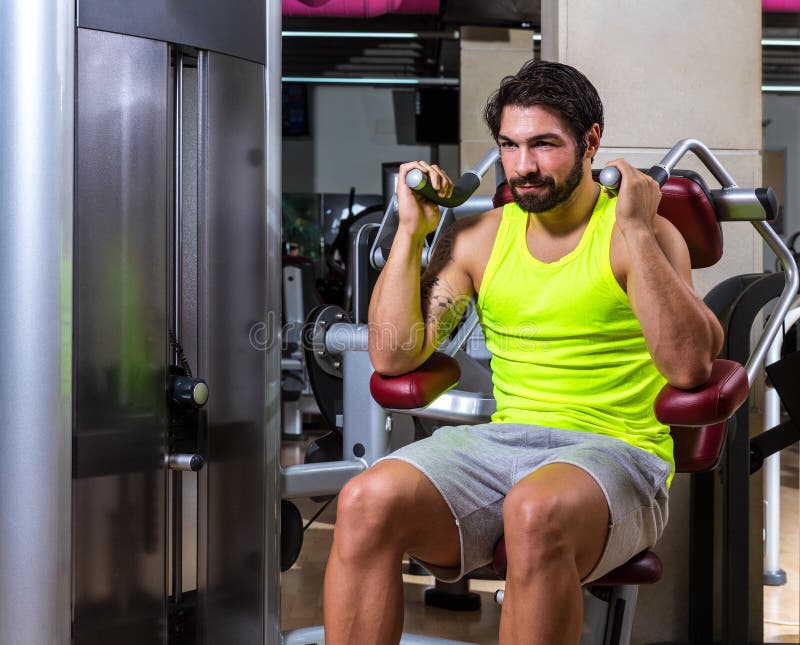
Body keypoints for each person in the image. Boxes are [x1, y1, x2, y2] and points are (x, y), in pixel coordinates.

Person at [322, 59, 723, 645]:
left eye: (544, 144)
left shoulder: (643, 232)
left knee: (534, 511)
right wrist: (411, 232)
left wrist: (637, 227)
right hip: (501, 445)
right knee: (365, 500)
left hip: (617, 453)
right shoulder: (480, 238)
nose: (523, 166)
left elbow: (690, 365)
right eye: (509, 146)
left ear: (591, 141)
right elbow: (393, 356)